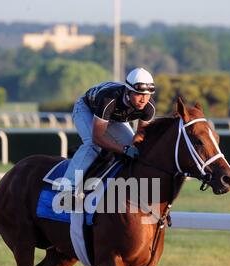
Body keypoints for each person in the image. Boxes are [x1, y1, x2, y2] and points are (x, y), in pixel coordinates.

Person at [58, 67, 156, 199]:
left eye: (147, 94)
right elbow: (98, 138)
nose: (143, 99)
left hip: (114, 118)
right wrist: (124, 149)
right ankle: (66, 189)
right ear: (128, 91)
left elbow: (140, 135)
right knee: (93, 145)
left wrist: (130, 148)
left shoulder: (149, 107)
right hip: (87, 109)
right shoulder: (109, 99)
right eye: (139, 94)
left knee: (132, 147)